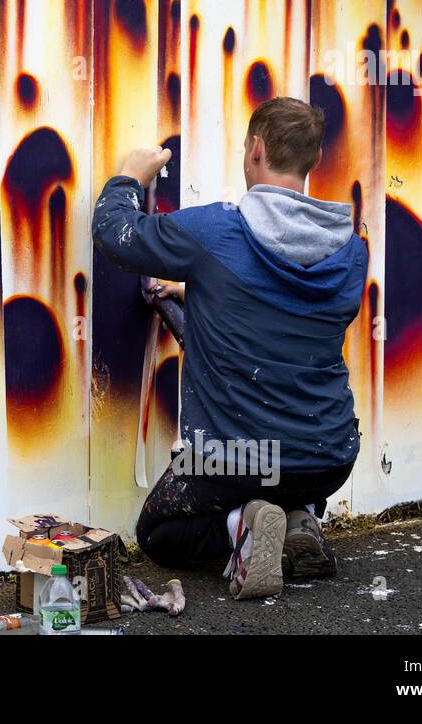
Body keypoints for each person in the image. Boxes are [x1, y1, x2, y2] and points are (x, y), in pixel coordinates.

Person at [92, 97, 367, 600]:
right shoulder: (350, 250)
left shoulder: (216, 232)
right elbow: (277, 318)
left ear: (256, 149)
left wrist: (130, 177)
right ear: (313, 160)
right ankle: (298, 516)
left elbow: (116, 235)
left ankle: (244, 524)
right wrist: (204, 294)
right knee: (287, 467)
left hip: (242, 459)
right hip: (330, 456)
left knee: (157, 532)